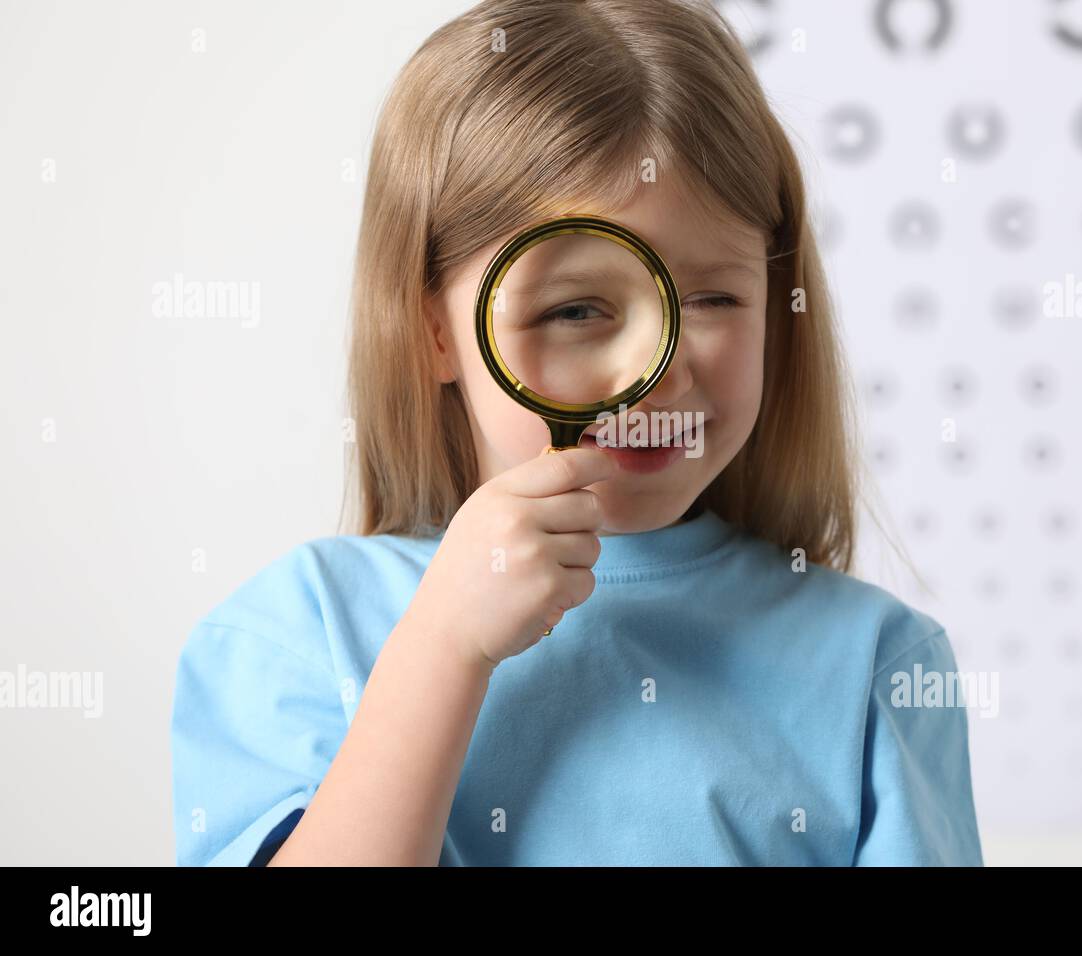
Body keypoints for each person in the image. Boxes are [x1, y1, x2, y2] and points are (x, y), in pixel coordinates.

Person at [170, 0, 983, 866]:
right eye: (576, 308)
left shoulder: (878, 663)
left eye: (712, 299)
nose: (658, 367)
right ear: (435, 331)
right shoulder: (293, 633)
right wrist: (443, 649)